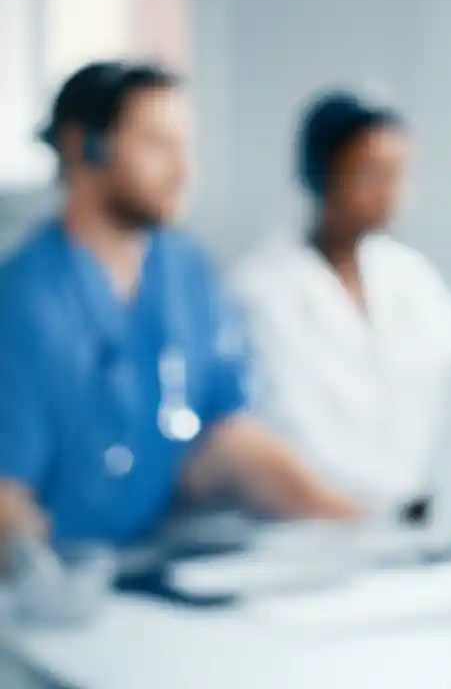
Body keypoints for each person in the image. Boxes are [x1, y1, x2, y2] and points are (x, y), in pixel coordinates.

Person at [0, 62, 360, 561]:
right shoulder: (24, 299)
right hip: (60, 580)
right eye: (157, 146)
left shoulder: (184, 270)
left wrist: (353, 529)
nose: (183, 170)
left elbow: (226, 437)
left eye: (185, 146)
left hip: (157, 559)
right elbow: (7, 501)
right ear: (84, 146)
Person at [231, 91, 451, 518]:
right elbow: (293, 435)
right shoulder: (261, 291)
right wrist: (387, 505)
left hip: (418, 510)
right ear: (319, 175)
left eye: (397, 176)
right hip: (322, 522)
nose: (388, 194)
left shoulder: (409, 274)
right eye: (370, 176)